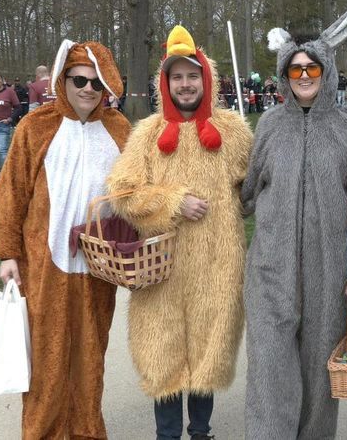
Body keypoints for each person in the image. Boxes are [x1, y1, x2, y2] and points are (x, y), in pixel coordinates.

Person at [106, 25, 252, 440]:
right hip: (161, 269)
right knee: (163, 352)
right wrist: (172, 202)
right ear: (165, 83)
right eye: (177, 77)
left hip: (217, 266)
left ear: (206, 80)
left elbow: (255, 187)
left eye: (192, 76)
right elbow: (122, 192)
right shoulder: (148, 134)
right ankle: (167, 435)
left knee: (209, 351)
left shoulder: (234, 131)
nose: (185, 84)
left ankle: (201, 432)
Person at [0, 39, 131, 440]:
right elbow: (10, 192)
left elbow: (135, 188)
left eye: (97, 83)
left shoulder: (119, 129)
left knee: (89, 352)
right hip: (43, 262)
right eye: (79, 79)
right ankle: (44, 431)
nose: (87, 89)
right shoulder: (36, 127)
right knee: (46, 352)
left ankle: (86, 428)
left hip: (98, 264)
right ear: (63, 79)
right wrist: (7, 252)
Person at [243, 0, 347, 440]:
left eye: (311, 69)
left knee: (319, 371)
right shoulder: (270, 124)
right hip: (270, 267)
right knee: (270, 364)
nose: (303, 77)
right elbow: (248, 188)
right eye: (294, 70)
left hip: (328, 268)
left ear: (326, 71)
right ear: (283, 76)